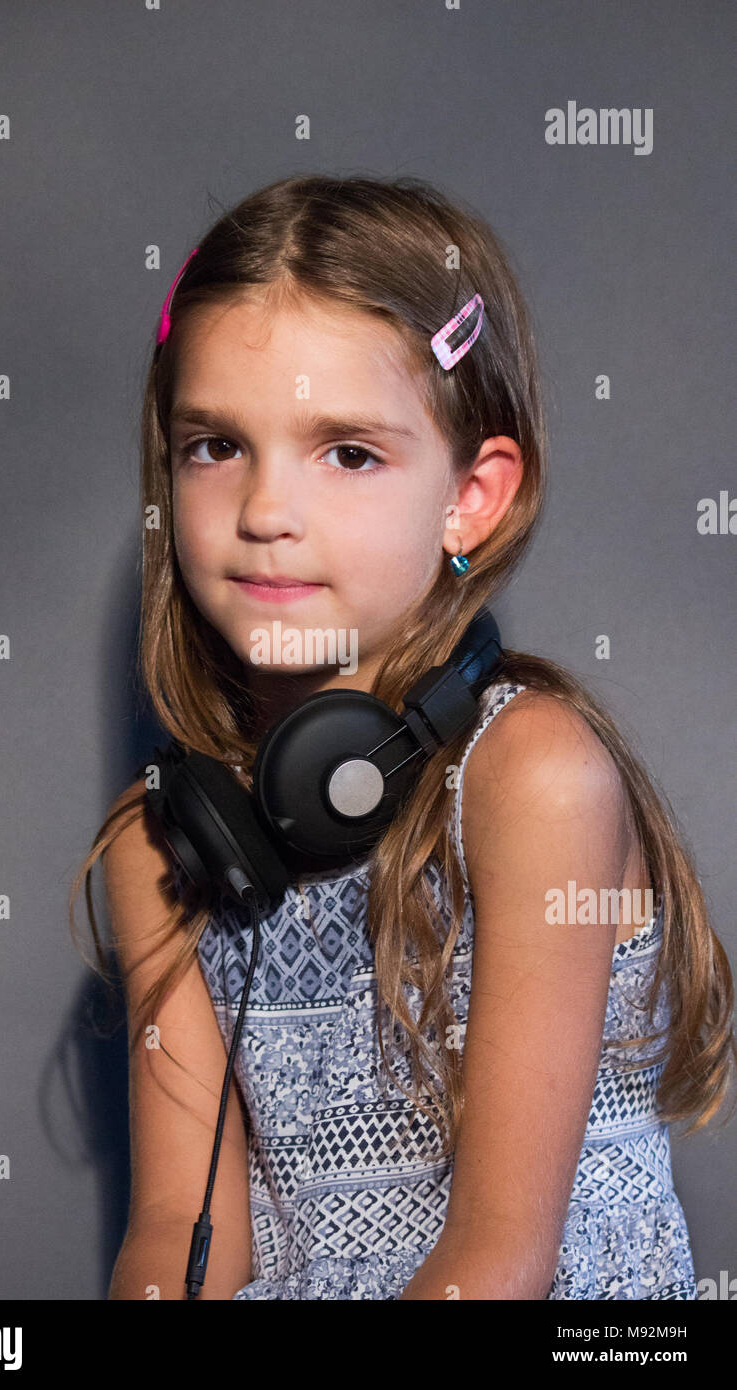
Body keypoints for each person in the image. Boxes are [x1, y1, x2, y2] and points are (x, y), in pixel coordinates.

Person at [71, 174, 735, 1300]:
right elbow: (180, 1244)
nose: (264, 510)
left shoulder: (531, 778)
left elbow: (497, 1266)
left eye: (346, 453)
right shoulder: (168, 844)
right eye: (215, 445)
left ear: (469, 498)